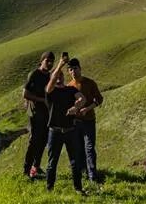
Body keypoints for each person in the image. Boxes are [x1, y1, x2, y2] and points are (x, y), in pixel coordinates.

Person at [44, 56, 87, 193]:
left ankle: (78, 188)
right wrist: (60, 64)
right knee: (52, 162)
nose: (59, 77)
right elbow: (51, 83)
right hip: (55, 131)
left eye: (61, 75)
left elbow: (83, 99)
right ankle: (49, 189)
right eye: (56, 76)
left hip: (70, 130)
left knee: (75, 162)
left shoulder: (70, 90)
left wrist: (76, 107)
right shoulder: (50, 92)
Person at [66, 58, 104, 183]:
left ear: (80, 68)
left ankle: (92, 175)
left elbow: (99, 99)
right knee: (79, 148)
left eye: (75, 68)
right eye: (70, 69)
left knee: (89, 147)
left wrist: (88, 108)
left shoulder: (90, 83)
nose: (73, 71)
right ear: (68, 72)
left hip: (89, 120)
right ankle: (83, 172)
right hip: (75, 122)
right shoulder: (69, 86)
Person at [22, 51, 54, 179]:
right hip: (35, 113)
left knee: (44, 140)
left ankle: (36, 167)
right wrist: (42, 100)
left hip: (47, 113)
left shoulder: (50, 76)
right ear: (41, 61)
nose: (50, 63)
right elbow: (25, 94)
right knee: (34, 140)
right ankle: (26, 170)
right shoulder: (34, 74)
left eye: (52, 61)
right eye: (47, 61)